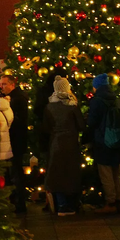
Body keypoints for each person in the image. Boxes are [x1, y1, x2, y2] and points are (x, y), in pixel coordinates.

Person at [43, 76, 85, 215]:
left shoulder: (49, 106)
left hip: (56, 143)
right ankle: (72, 204)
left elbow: (46, 127)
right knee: (71, 173)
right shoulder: (72, 106)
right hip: (71, 143)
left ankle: (61, 204)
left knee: (57, 174)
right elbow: (81, 125)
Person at [86, 73, 120, 214]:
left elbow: (92, 122)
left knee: (105, 172)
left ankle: (111, 202)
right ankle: (119, 200)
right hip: (116, 138)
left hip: (102, 140)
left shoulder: (97, 101)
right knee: (116, 171)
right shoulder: (116, 100)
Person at [0, 74, 29, 215]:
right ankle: (14, 201)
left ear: (12, 84)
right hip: (12, 140)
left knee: (16, 172)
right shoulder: (9, 98)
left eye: (4, 84)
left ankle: (20, 203)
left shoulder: (17, 99)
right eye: (1, 84)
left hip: (16, 140)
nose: (2, 87)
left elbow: (20, 120)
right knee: (12, 172)